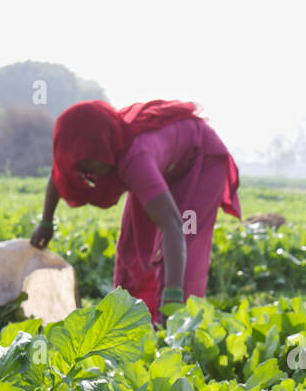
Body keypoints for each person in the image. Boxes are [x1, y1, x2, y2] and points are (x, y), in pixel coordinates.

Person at [30, 99, 241, 323]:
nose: (88, 174)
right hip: (160, 166)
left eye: (91, 164)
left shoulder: (134, 159)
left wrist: (173, 294)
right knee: (133, 247)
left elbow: (172, 225)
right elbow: (60, 176)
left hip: (199, 163)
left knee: (183, 246)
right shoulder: (103, 149)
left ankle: (176, 329)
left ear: (102, 148)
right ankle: (132, 324)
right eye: (82, 166)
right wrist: (46, 223)